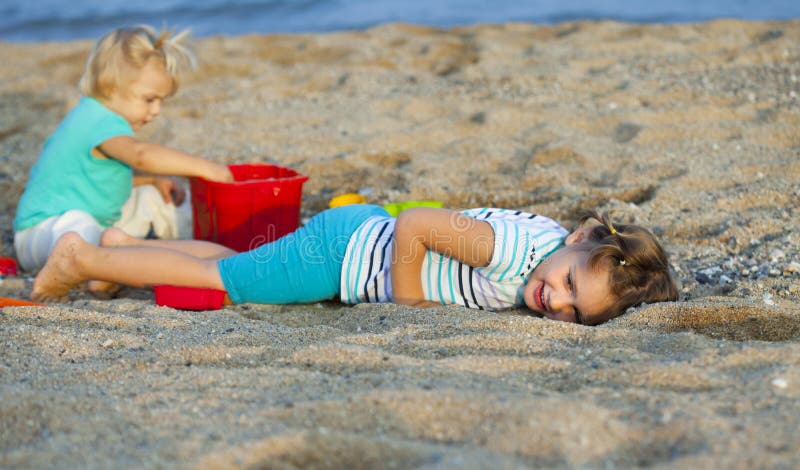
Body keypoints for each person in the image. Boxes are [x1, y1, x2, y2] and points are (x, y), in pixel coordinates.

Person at [31, 205, 679, 325]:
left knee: (241, 262)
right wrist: (406, 307)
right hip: (343, 258)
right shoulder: (512, 252)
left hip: (351, 237)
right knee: (225, 282)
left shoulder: (548, 248)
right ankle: (79, 256)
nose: (555, 301)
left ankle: (118, 252)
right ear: (580, 237)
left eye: (573, 311)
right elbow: (418, 224)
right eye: (567, 284)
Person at [13, 25, 233, 273]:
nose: (157, 110)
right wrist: (205, 168)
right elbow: (141, 155)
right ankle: (102, 267)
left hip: (97, 222)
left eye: (161, 101)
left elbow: (98, 179)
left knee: (153, 198)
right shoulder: (96, 119)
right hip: (42, 233)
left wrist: (151, 179)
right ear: (111, 87)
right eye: (150, 99)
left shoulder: (102, 119)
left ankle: (187, 238)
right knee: (79, 228)